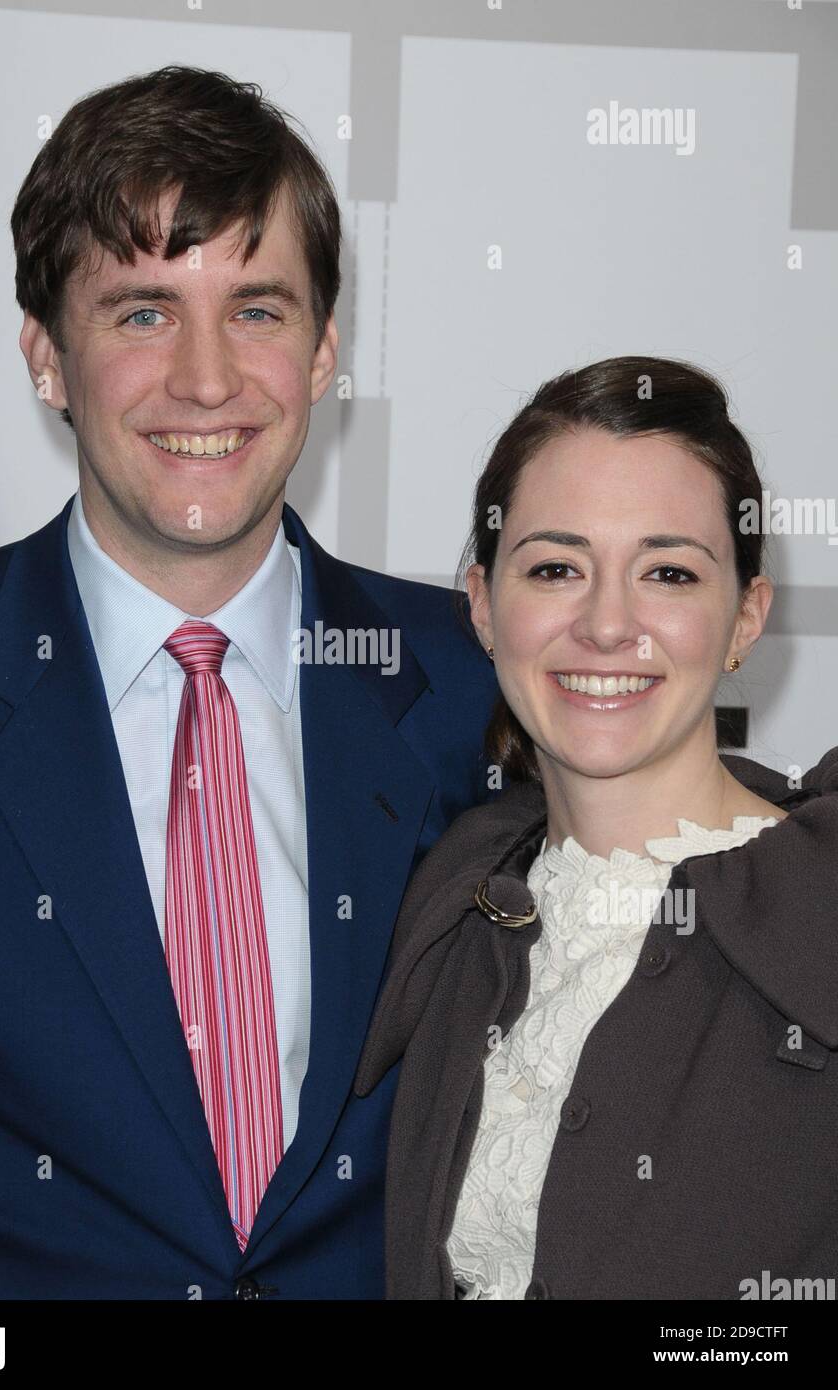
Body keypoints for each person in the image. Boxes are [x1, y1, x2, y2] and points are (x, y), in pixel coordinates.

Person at [0, 66, 499, 1300]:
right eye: (144, 312)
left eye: (258, 310)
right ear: (47, 355)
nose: (207, 379)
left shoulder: (476, 678)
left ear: (322, 354)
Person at [354, 355, 838, 1300]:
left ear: (746, 616)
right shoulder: (451, 909)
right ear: (484, 605)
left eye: (667, 572)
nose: (608, 624)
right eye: (556, 568)